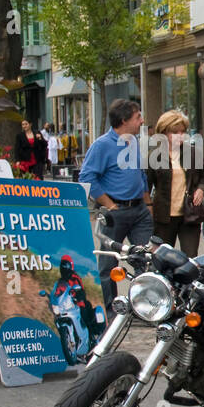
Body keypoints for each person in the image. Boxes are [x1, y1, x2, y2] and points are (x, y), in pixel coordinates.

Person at [80, 99, 148, 299]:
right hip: (115, 213)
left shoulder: (133, 141)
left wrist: (148, 204)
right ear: (124, 120)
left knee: (145, 261)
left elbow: (140, 174)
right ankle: (109, 311)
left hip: (140, 211)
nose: (142, 121)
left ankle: (144, 306)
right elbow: (86, 177)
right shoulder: (102, 145)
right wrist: (109, 205)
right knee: (108, 265)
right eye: (138, 117)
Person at [146, 110, 204, 257]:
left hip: (190, 214)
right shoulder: (154, 156)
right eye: (175, 132)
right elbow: (146, 187)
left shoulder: (193, 153)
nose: (180, 136)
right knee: (163, 258)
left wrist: (201, 189)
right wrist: (148, 210)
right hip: (164, 217)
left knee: (191, 257)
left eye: (183, 132)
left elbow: (203, 178)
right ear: (164, 133)